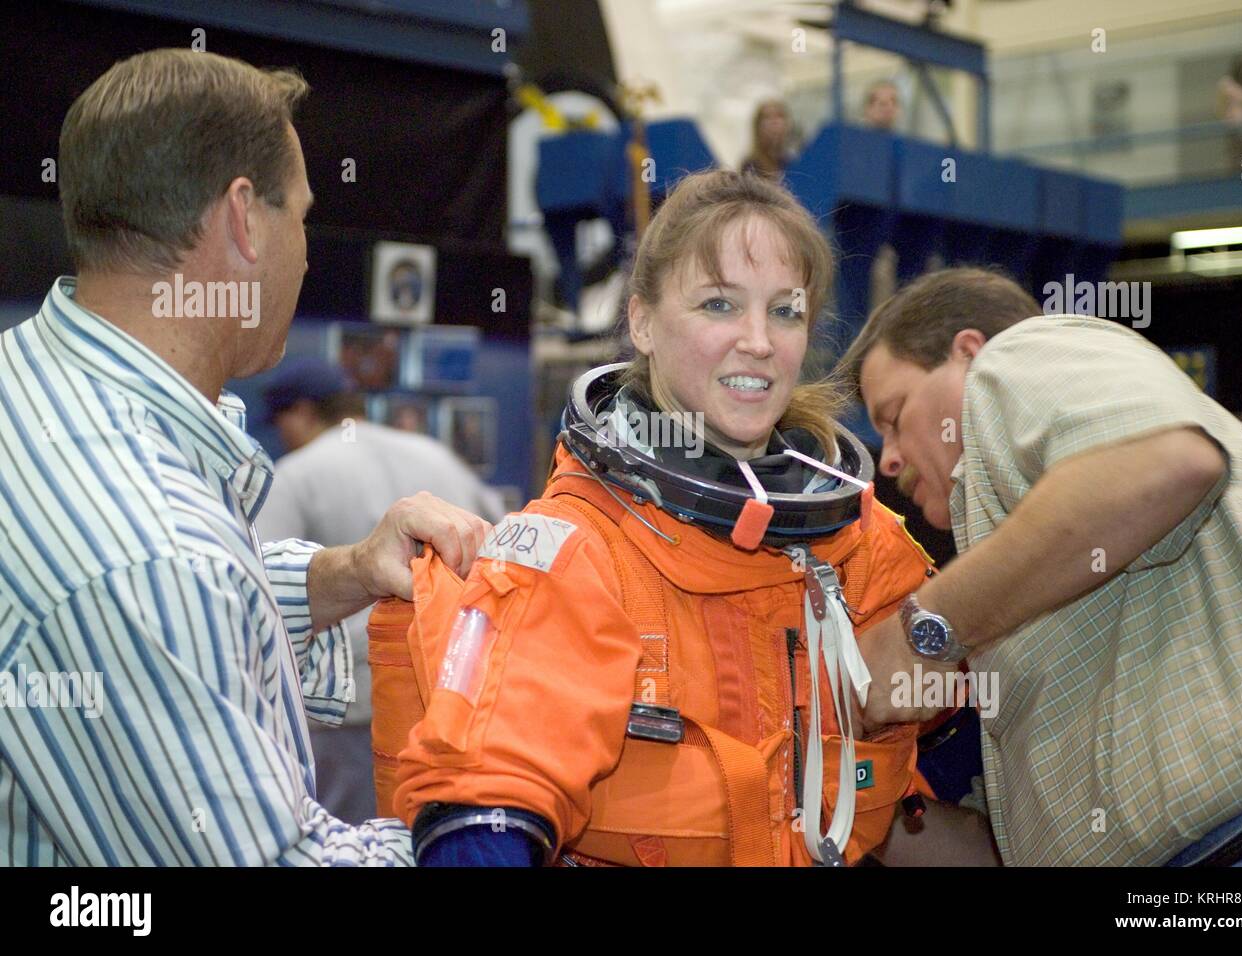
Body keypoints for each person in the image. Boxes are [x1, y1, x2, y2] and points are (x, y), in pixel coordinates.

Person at [384, 170, 1001, 867]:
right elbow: (488, 802)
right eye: (719, 304)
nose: (759, 342)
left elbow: (981, 774)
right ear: (642, 321)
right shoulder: (580, 552)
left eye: (786, 311)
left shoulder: (865, 553)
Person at [0, 49, 491, 865]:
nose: (304, 250)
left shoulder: (38, 382)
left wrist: (345, 574)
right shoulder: (149, 554)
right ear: (241, 220)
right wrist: (495, 833)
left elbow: (191, 612)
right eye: (299, 214)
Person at [844, 267, 1242, 866]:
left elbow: (1169, 462)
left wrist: (919, 634)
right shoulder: (1028, 570)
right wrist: (850, 790)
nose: (890, 460)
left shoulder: (1021, 356)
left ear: (968, 353)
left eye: (895, 416)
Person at [255, 357, 504, 823]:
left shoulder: (297, 472)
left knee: (351, 838)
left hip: (350, 709)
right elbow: (500, 536)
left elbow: (259, 588)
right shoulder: (434, 453)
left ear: (303, 413)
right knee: (435, 834)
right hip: (455, 695)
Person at [739, 99, 795, 180]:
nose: (774, 122)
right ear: (757, 126)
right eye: (767, 117)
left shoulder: (791, 161)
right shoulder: (750, 166)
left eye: (779, 116)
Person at [1218, 56, 1242, 173]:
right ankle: (1233, 176)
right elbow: (1220, 104)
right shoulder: (1226, 83)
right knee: (1234, 153)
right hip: (1231, 124)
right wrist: (1224, 119)